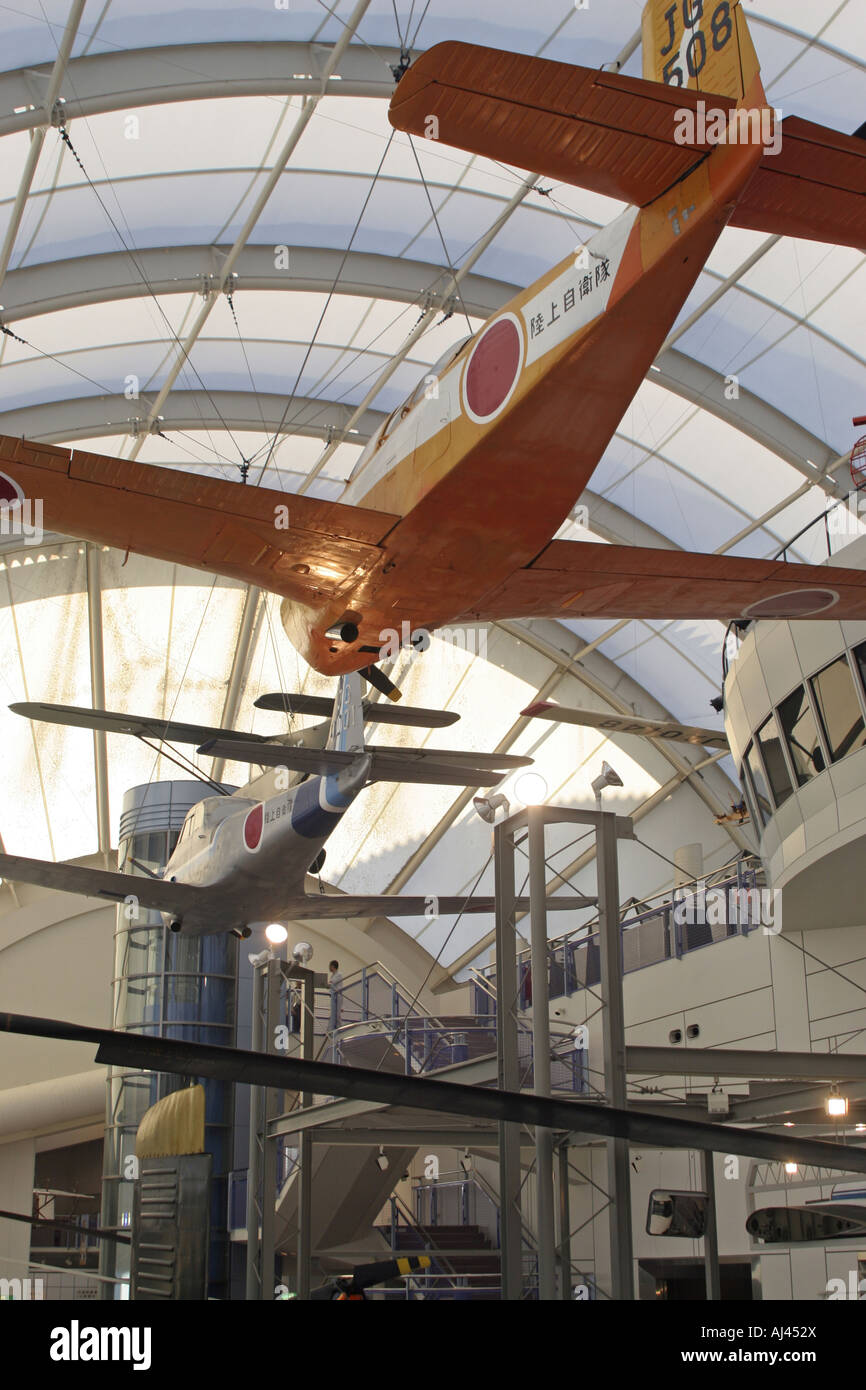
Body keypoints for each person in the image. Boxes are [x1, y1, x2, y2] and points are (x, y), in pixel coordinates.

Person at [328, 960, 343, 1031]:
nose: (329, 967)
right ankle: (332, 1030)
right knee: (333, 1014)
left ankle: (339, 1030)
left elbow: (332, 982)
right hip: (333, 996)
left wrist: (329, 983)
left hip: (338, 996)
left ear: (333, 966)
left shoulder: (339, 974)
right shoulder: (333, 975)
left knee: (337, 1015)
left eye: (330, 966)